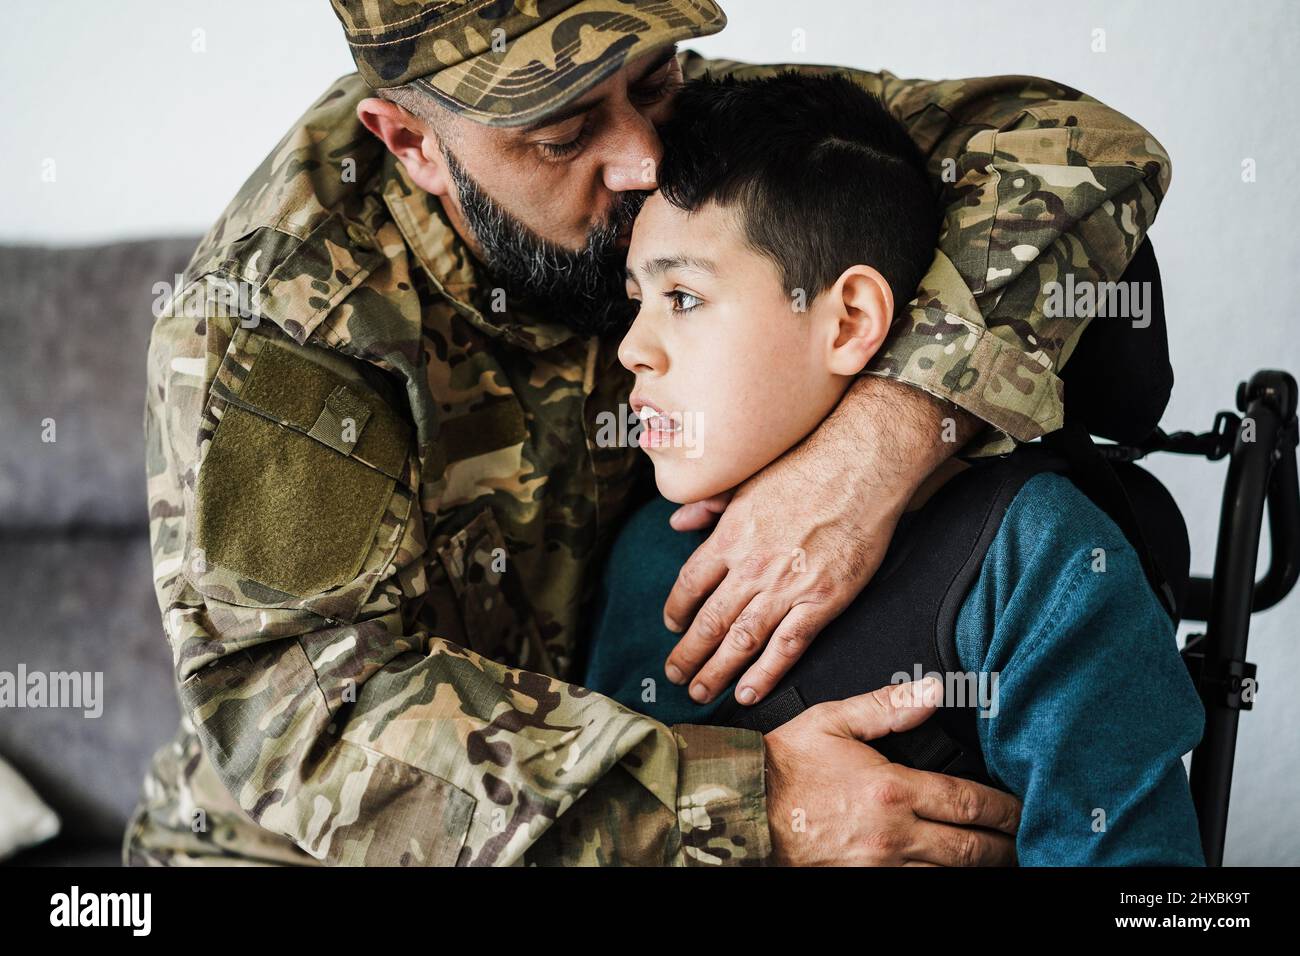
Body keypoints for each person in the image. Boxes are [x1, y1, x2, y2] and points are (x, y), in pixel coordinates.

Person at [126, 0, 1171, 866]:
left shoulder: (636, 109)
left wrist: (881, 441)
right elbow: (305, 724)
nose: (640, 158)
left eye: (658, 81)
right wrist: (752, 805)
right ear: (413, 145)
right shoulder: (286, 324)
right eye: (563, 134)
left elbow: (1084, 151)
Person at [585, 71, 1205, 865]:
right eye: (635, 299)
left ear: (849, 320)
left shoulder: (1035, 561)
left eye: (683, 297)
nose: (633, 348)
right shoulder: (650, 555)